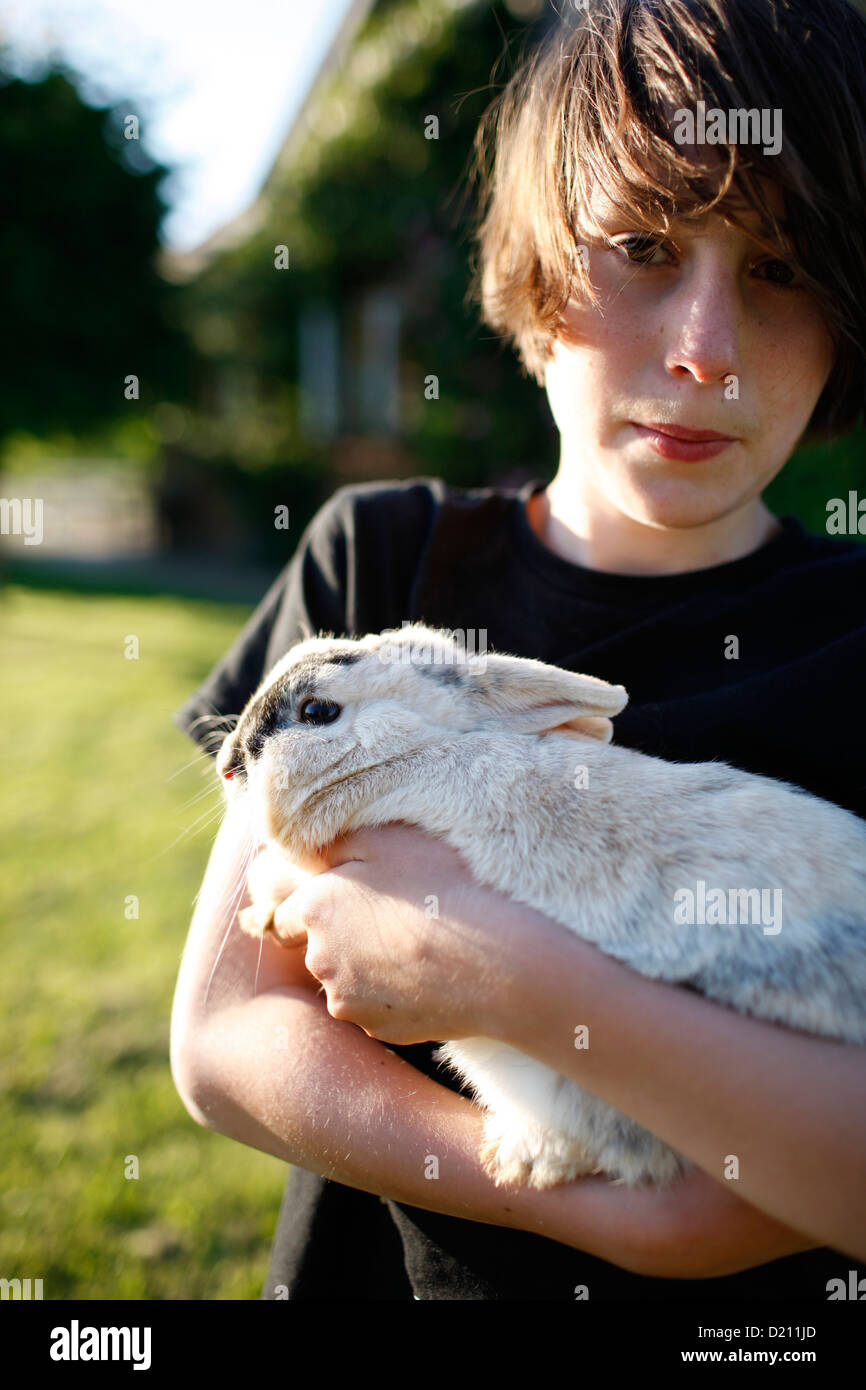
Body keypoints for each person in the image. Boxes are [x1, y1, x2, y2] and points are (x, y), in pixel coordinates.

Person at [170, 0, 866, 1299]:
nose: (704, 351)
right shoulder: (378, 561)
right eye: (643, 246)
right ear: (538, 272)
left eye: (779, 270)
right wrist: (604, 1209)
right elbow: (223, 1034)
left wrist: (508, 975)